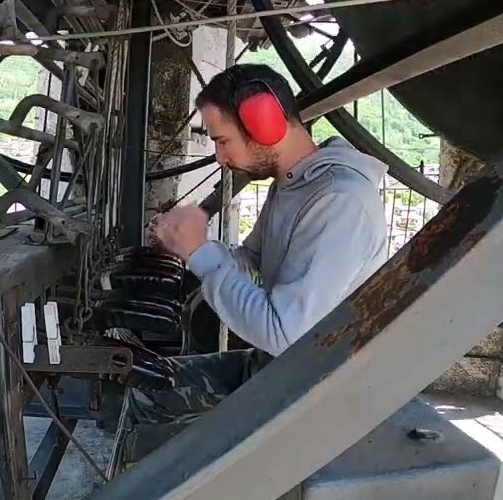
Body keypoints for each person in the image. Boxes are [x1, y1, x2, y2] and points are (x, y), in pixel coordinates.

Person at [126, 63, 388, 428]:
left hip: (315, 395)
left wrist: (200, 253)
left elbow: (283, 333)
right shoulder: (295, 184)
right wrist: (187, 248)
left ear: (265, 124)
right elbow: (250, 261)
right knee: (138, 390)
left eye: (222, 141)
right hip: (281, 369)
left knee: (149, 411)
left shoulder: (339, 201)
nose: (220, 158)